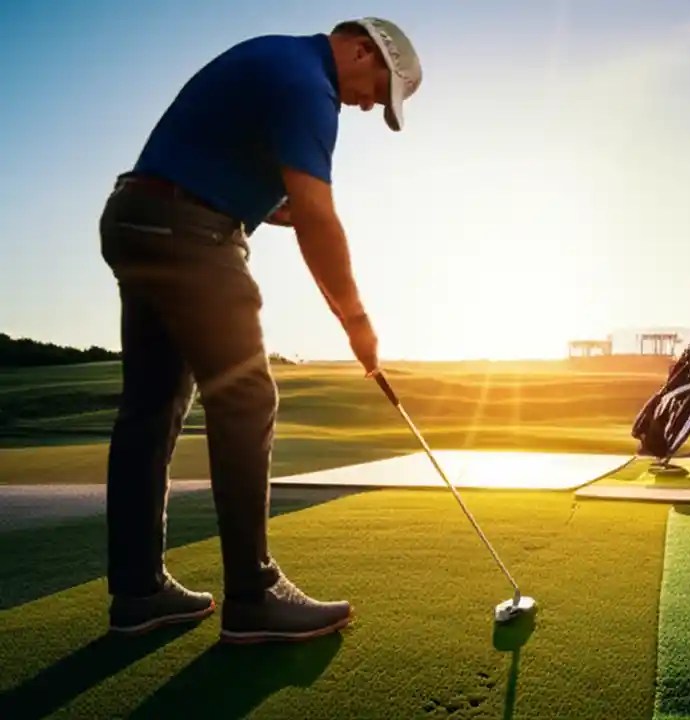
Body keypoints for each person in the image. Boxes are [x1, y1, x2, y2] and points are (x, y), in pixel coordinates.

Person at [99, 18, 421, 643]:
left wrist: (261, 204)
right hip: (190, 236)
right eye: (375, 92)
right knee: (245, 398)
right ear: (361, 50)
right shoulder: (310, 87)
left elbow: (243, 178)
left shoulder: (277, 59)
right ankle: (255, 594)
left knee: (151, 408)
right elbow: (316, 218)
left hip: (138, 218)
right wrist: (357, 323)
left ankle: (138, 593)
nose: (365, 105)